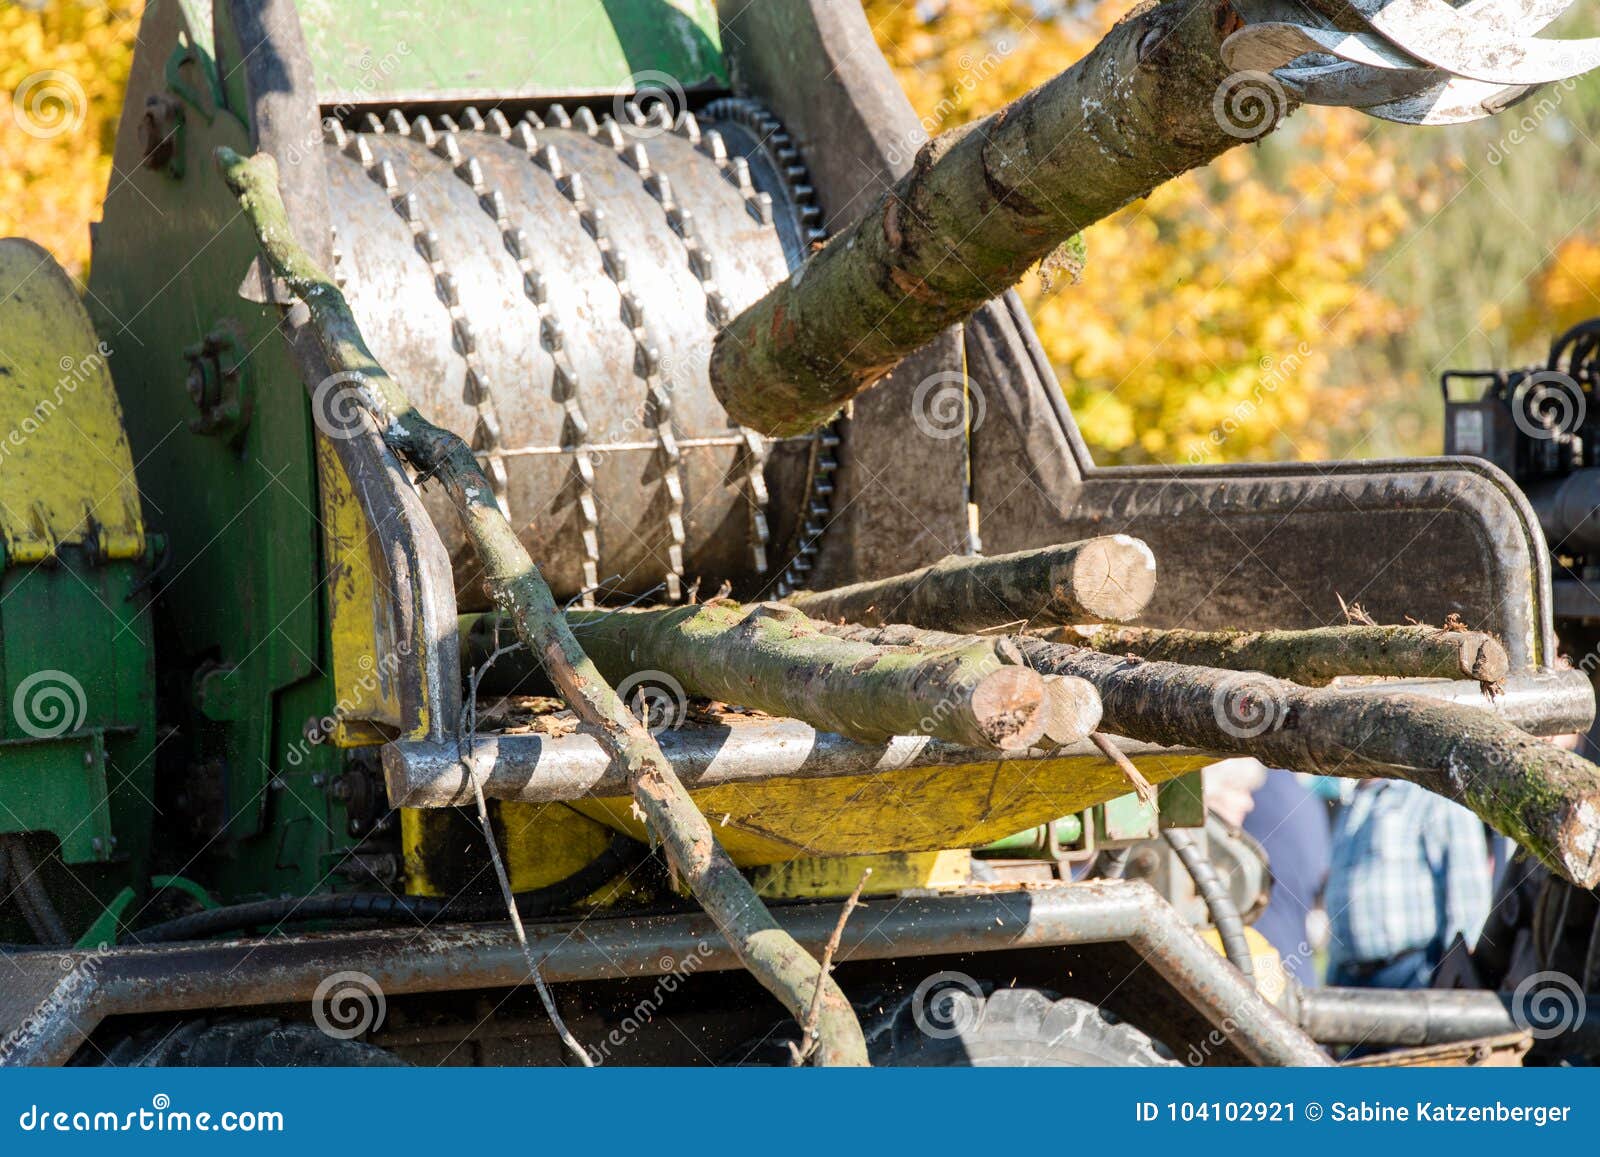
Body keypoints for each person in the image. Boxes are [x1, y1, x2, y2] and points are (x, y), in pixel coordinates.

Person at [1323, 779, 1493, 988]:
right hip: (1349, 977)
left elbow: (1468, 895)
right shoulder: (1352, 798)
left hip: (1414, 974)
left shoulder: (1434, 792)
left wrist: (1456, 977)